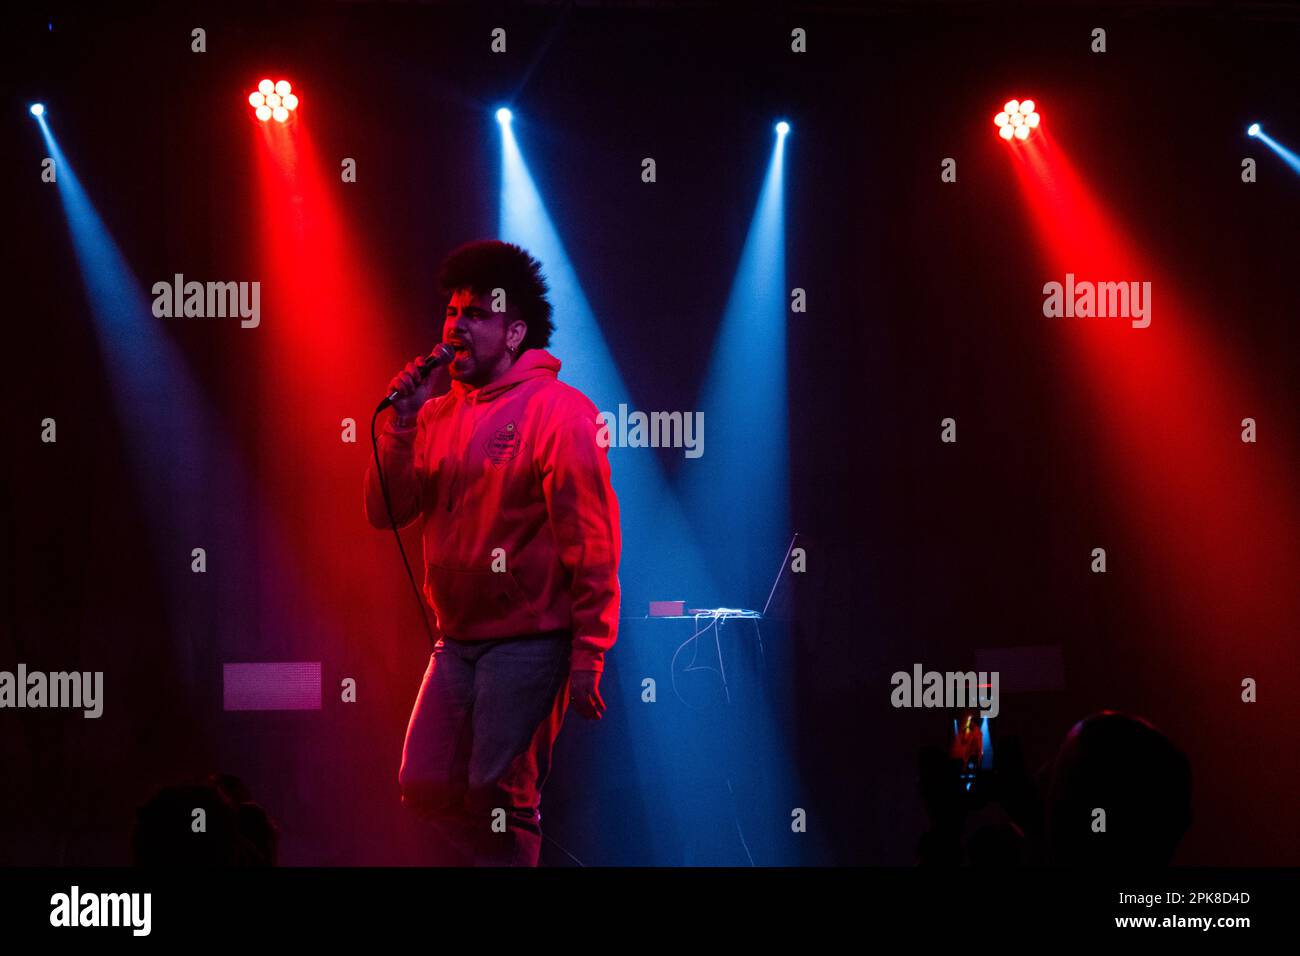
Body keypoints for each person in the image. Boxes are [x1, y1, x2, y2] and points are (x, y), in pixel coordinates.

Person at [364, 239, 621, 866]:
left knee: (498, 795)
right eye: (451, 313)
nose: (456, 328)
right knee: (422, 782)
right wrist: (399, 425)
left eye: (475, 314)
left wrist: (590, 651)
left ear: (514, 333)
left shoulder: (558, 413)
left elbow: (591, 539)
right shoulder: (435, 416)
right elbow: (385, 512)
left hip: (532, 638)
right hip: (456, 641)